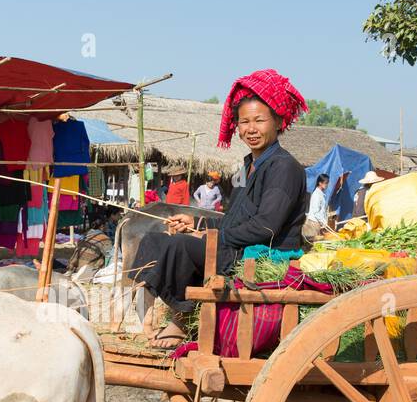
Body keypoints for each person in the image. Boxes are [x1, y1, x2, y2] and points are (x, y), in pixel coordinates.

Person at [131, 69, 309, 349]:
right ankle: (150, 314)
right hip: (235, 246)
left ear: (277, 121)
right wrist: (197, 224)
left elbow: (266, 227)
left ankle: (180, 319)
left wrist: (214, 239)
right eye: (244, 122)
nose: (251, 129)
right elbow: (234, 220)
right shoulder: (248, 165)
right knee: (155, 238)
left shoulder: (284, 167)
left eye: (259, 120)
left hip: (262, 254)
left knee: (180, 247)